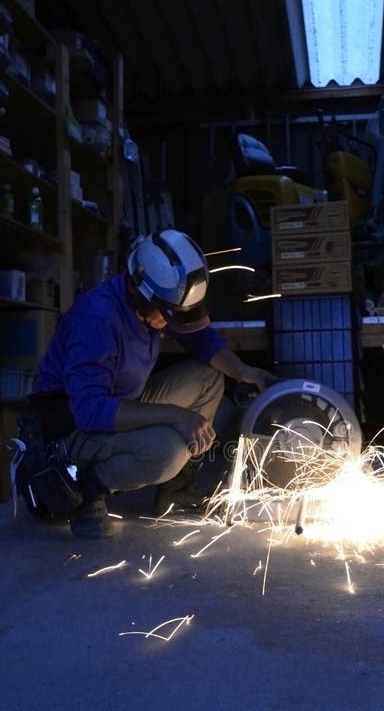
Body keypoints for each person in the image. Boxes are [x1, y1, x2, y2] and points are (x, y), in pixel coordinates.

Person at [29, 229, 275, 539]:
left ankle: (175, 488)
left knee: (209, 377)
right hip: (70, 429)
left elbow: (198, 337)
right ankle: (89, 490)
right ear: (139, 293)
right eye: (169, 317)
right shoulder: (97, 321)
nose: (173, 326)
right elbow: (89, 412)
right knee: (167, 451)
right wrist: (175, 415)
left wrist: (242, 371)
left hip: (117, 400)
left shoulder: (153, 299)